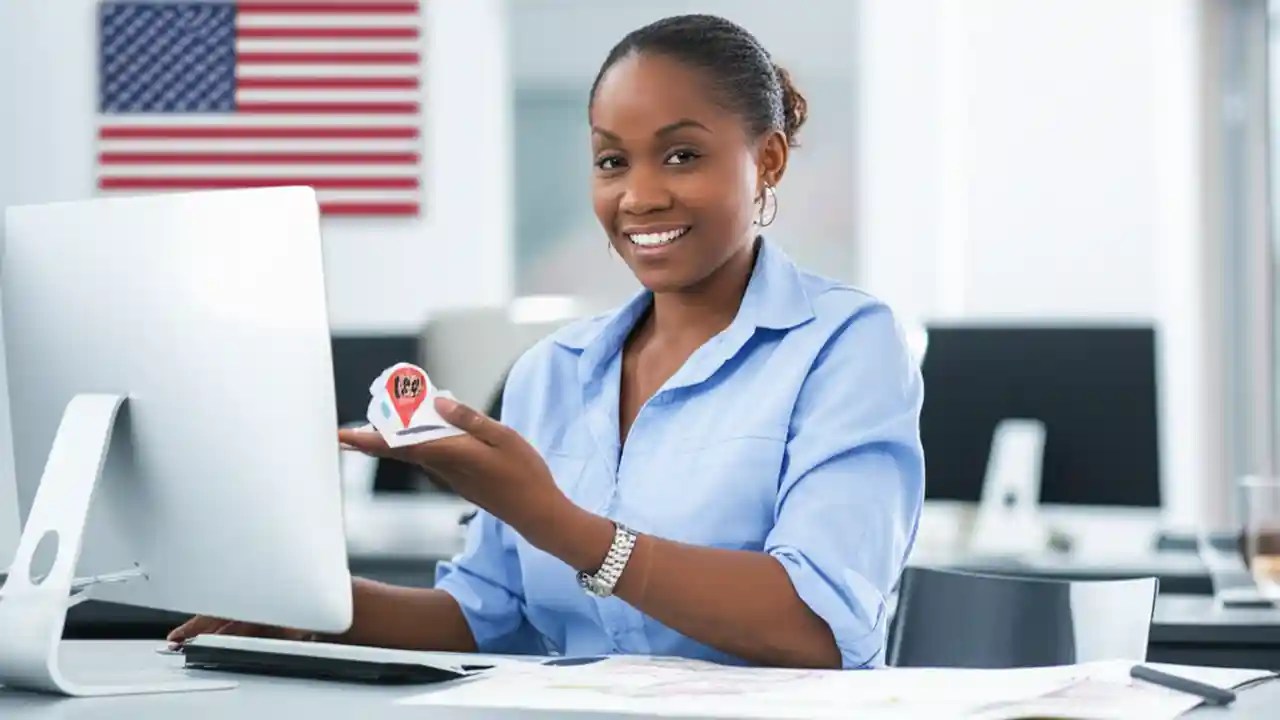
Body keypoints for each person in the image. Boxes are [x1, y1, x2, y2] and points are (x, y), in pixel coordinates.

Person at [169, 14, 924, 670]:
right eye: (611, 161)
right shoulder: (550, 373)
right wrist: (312, 609)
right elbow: (483, 617)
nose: (639, 194)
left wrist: (557, 523)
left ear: (767, 159)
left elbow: (820, 626)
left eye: (681, 155)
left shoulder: (847, 346)